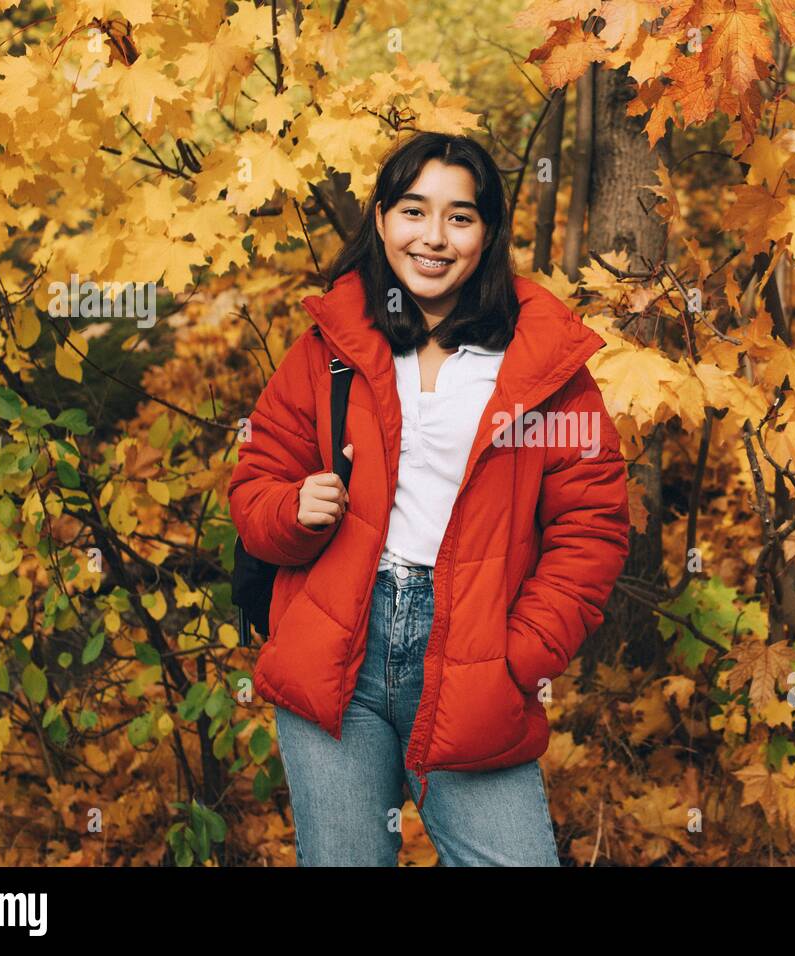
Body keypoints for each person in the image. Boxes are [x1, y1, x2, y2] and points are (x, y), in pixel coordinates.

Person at [227, 131, 630, 866]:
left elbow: (592, 527)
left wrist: (521, 655)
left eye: (460, 217)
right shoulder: (331, 344)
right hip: (337, 653)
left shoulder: (544, 363)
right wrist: (293, 510)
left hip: (476, 653)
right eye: (414, 211)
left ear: (487, 232)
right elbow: (256, 483)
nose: (433, 238)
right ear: (381, 220)